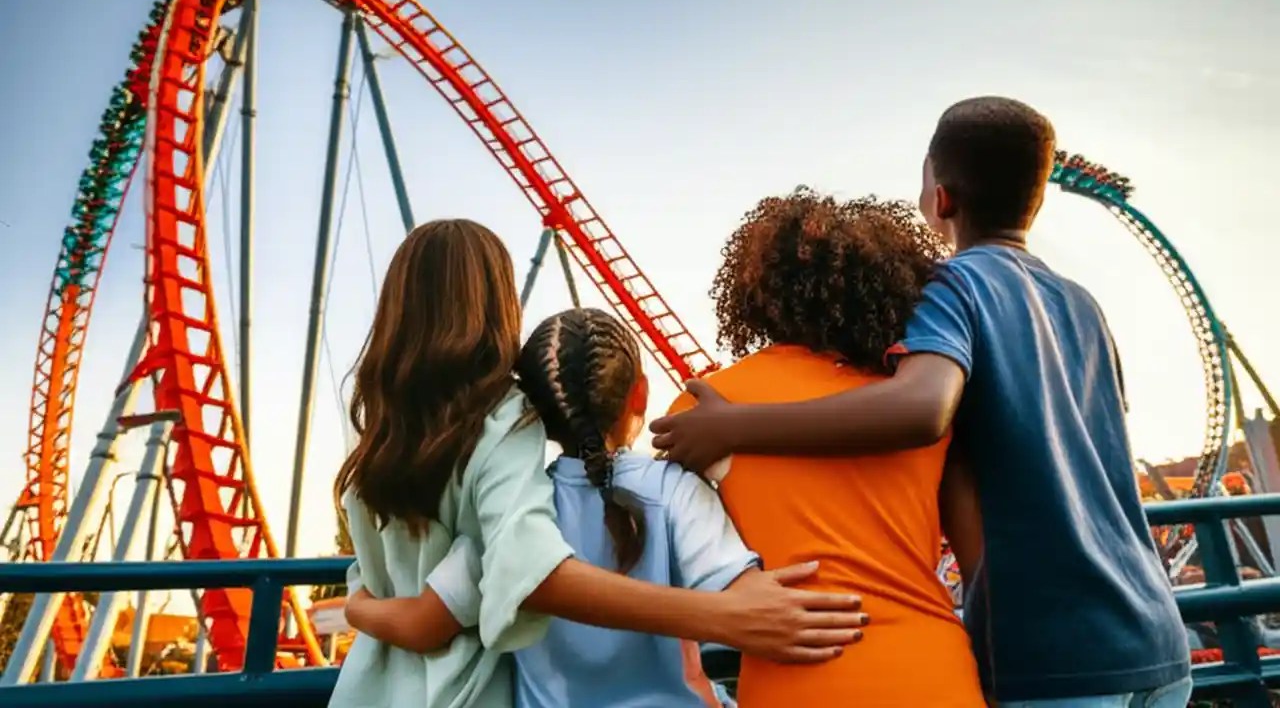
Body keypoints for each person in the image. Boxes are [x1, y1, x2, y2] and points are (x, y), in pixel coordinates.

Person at [650, 98, 1193, 706]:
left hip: (1053, 652)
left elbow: (923, 408)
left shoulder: (955, 285)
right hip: (1153, 632)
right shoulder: (1081, 303)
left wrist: (735, 427)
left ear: (940, 199)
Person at [329, 219, 864, 708]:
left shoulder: (376, 439)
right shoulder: (509, 427)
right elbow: (528, 572)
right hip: (461, 696)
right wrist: (729, 617)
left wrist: (358, 609)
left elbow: (404, 594)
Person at [349, 306, 774, 706]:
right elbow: (750, 602)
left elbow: (425, 622)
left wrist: (357, 606)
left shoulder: (512, 515)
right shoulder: (676, 489)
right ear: (639, 394)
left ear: (536, 411)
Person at [664, 189, 984, 706]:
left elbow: (675, 569)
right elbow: (980, 564)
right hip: (934, 671)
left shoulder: (703, 408)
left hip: (798, 679)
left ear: (758, 294)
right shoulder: (919, 405)